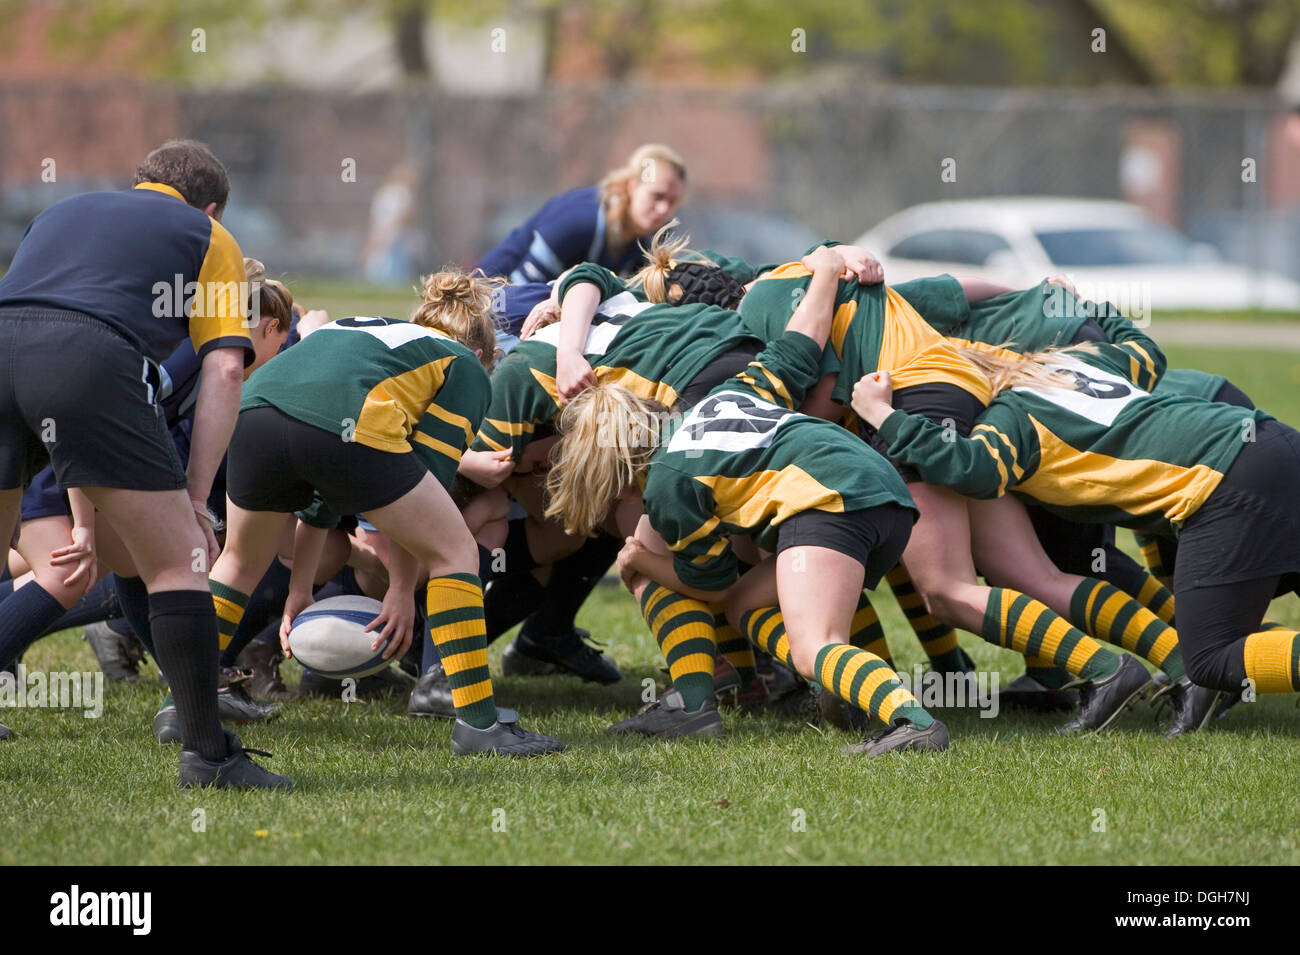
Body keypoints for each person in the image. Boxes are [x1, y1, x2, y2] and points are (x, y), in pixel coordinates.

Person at [0, 139, 287, 787]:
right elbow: (223, 367)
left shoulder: (61, 211)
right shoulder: (209, 234)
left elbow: (38, 314)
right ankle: (210, 757)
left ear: (140, 181)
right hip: (89, 360)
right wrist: (193, 497)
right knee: (177, 559)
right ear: (211, 205)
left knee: (120, 557)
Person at [851, 315, 1300, 715]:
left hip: (1225, 484)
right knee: (1243, 607)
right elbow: (1145, 351)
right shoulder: (1078, 365)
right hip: (1274, 439)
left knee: (1210, 660)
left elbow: (968, 467)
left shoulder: (1011, 419)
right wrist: (1091, 307)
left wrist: (884, 415)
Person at [207, 269, 565, 757]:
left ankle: (184, 702)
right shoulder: (461, 363)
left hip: (252, 410)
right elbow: (429, 482)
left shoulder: (367, 333)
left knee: (237, 563)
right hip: (336, 426)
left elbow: (321, 495)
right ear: (486, 355)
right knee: (455, 549)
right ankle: (481, 726)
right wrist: (400, 590)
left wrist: (300, 590)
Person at [478, 144, 686, 285]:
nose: (663, 209)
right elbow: (518, 291)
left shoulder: (655, 237)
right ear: (632, 187)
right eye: (657, 196)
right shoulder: (580, 221)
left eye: (672, 201)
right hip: (487, 301)